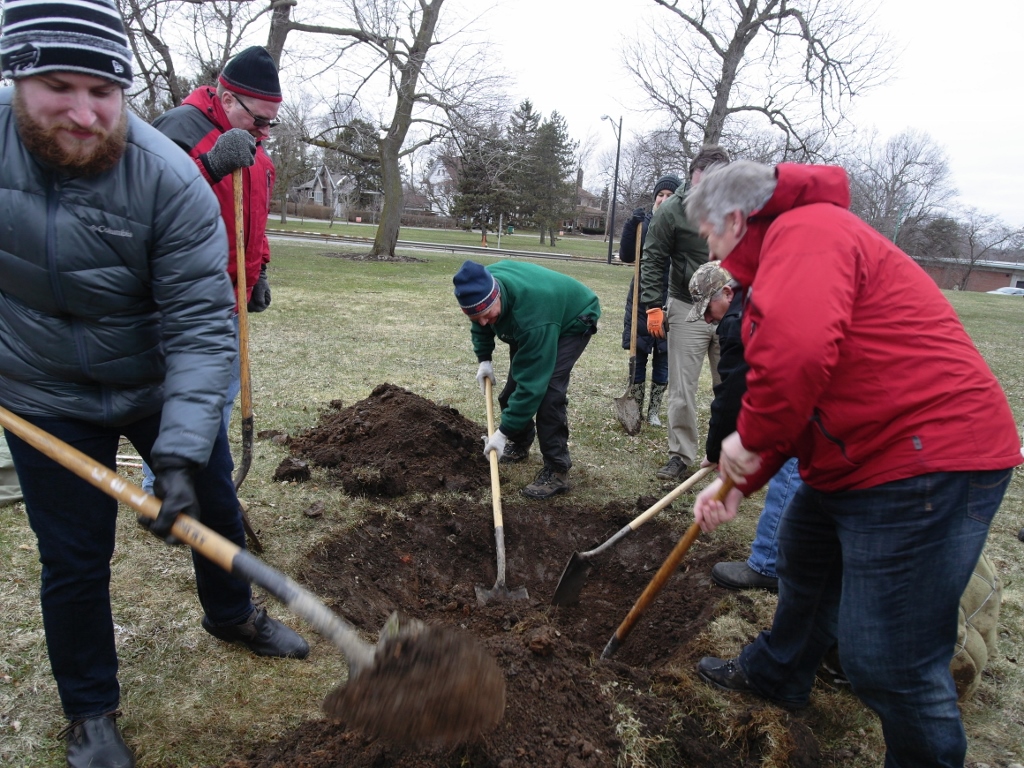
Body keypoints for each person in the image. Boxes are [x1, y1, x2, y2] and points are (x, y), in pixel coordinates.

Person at [0, 3, 308, 765]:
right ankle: (90, 711)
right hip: (40, 391)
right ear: (17, 80)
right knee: (72, 559)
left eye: (103, 91)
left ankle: (230, 614)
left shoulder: (168, 179)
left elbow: (204, 328)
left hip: (154, 378)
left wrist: (175, 452)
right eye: (57, 87)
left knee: (213, 503)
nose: (83, 111)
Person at [686, 160, 1021, 768]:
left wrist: (745, 442)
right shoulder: (783, 255)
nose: (706, 245)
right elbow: (801, 398)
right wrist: (740, 481)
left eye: (706, 232)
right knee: (805, 558)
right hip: (860, 459)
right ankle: (779, 674)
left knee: (891, 659)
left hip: (925, 458)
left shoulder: (808, 232)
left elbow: (796, 359)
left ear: (734, 218)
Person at [140, 45, 281, 494]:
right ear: (224, 98)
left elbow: (254, 214)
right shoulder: (178, 128)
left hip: (231, 292)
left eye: (270, 122)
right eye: (258, 119)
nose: (264, 131)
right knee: (180, 395)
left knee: (220, 393)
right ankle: (157, 484)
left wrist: (260, 271)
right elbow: (143, 206)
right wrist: (212, 165)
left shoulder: (255, 145)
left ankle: (203, 480)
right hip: (181, 293)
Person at [689, 261, 801, 592]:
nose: (709, 320)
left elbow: (731, 394)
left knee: (792, 467)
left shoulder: (736, 319)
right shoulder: (757, 299)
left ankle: (767, 565)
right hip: (803, 392)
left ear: (727, 292)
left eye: (709, 309)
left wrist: (715, 451)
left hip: (810, 401)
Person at [453, 260, 601, 499]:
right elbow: (480, 321)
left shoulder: (532, 318)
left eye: (487, 314)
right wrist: (484, 359)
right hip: (535, 316)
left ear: (496, 296)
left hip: (573, 317)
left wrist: (501, 433)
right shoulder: (480, 285)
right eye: (474, 316)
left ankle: (557, 470)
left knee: (548, 395)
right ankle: (520, 443)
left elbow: (532, 387)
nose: (482, 322)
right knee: (511, 395)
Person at [639, 144, 731, 482]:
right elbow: (653, 258)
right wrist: (652, 305)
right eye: (696, 184)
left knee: (732, 384)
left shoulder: (740, 206)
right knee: (682, 387)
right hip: (686, 305)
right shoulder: (672, 211)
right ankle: (680, 455)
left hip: (729, 306)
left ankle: (729, 457)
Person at [618, 174, 678, 426]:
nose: (663, 200)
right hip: (641, 299)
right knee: (639, 352)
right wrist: (632, 226)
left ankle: (654, 410)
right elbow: (625, 255)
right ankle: (637, 407)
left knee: (663, 355)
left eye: (669, 196)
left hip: (670, 297)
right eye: (660, 195)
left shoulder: (679, 224)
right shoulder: (645, 223)